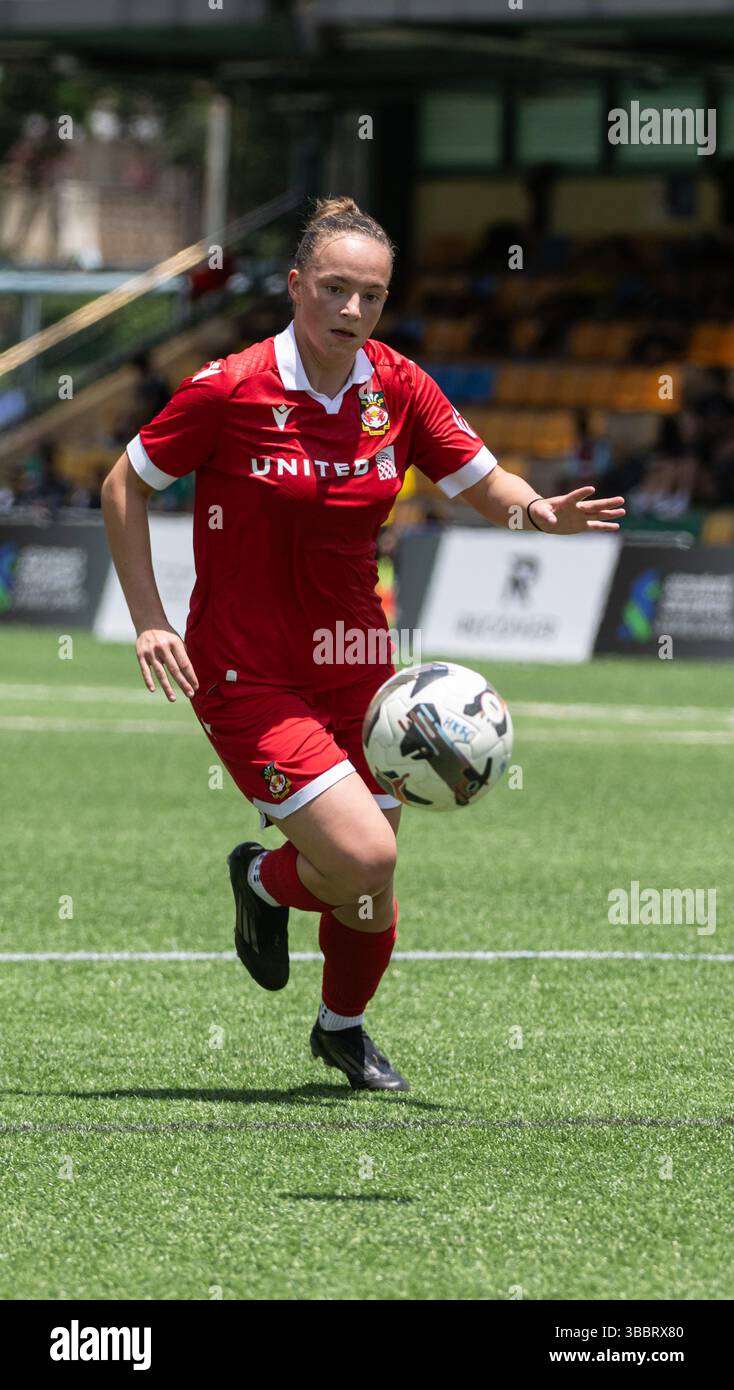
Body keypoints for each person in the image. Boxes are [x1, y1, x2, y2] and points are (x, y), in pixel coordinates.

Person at [100, 196, 625, 1093]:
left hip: (359, 667)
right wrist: (151, 617)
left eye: (370, 296)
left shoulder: (400, 386)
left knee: (371, 887)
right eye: (333, 289)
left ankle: (340, 1027)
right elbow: (125, 484)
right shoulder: (230, 387)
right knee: (364, 858)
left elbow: (483, 480)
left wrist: (535, 510)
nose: (350, 310)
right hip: (244, 669)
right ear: (297, 286)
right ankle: (265, 880)